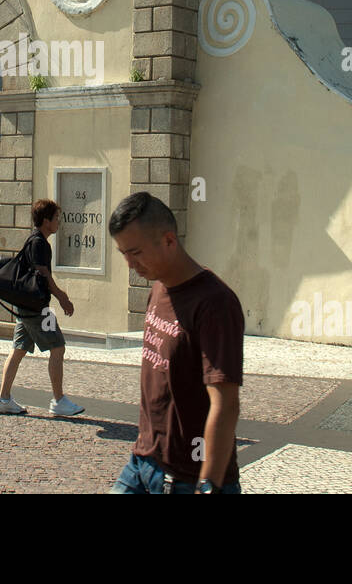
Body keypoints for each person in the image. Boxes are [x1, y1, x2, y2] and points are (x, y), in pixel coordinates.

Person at [107, 191, 244, 494]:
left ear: (169, 240)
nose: (130, 264)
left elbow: (226, 405)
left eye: (136, 252)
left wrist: (208, 484)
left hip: (189, 479)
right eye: (123, 254)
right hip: (143, 463)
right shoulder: (158, 288)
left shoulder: (215, 303)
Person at [0, 198, 85, 417]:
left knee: (18, 350)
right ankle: (58, 400)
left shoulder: (35, 240)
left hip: (27, 306)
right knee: (58, 346)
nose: (59, 222)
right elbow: (43, 274)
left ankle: (3, 399)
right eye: (56, 218)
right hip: (38, 308)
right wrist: (62, 296)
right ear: (46, 221)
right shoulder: (40, 243)